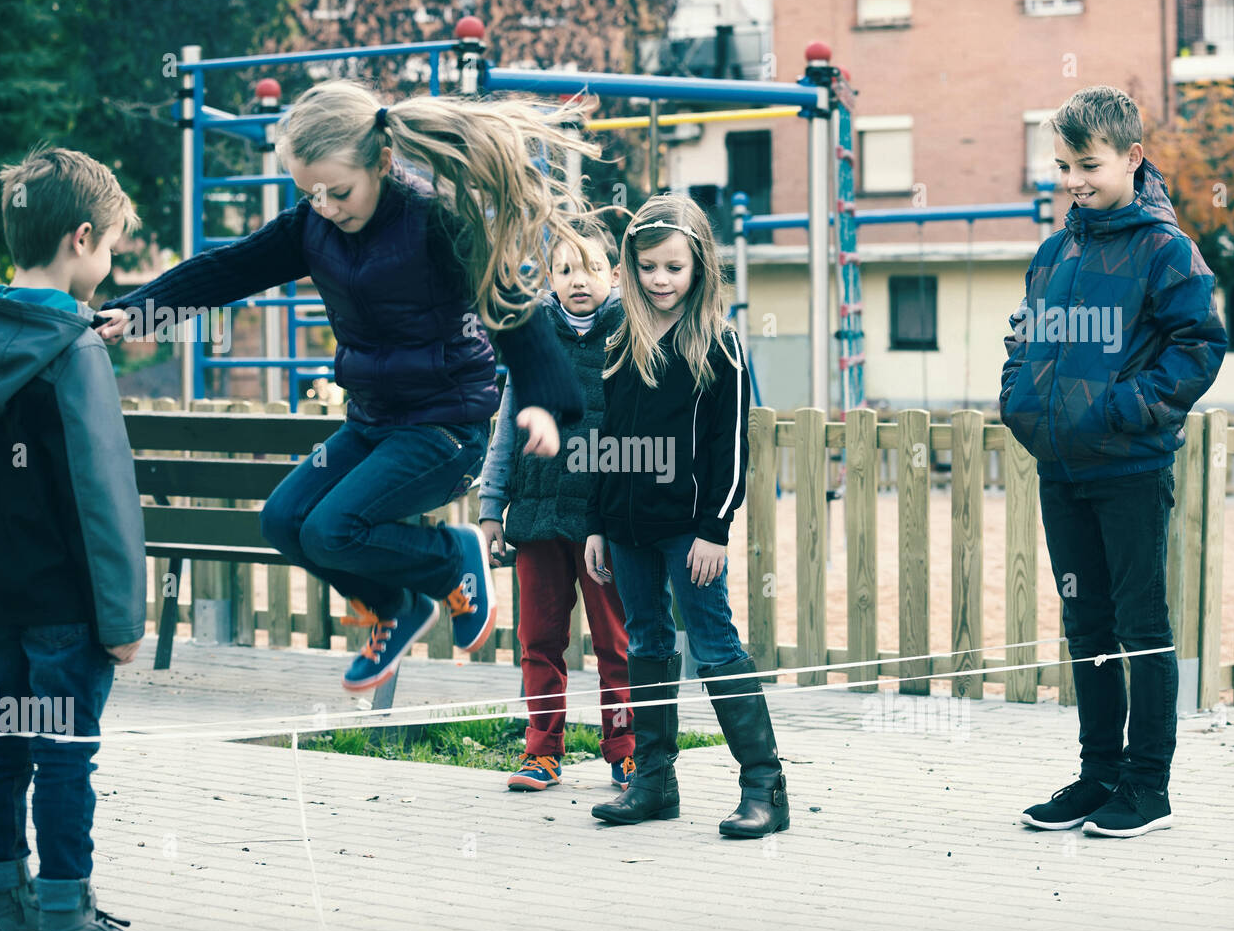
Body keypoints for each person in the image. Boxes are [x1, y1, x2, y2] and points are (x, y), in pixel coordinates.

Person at [96, 81, 590, 691]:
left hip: (445, 426)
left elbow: (509, 300)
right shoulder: (312, 227)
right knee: (283, 520)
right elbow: (229, 268)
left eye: (339, 190)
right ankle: (398, 606)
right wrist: (139, 309)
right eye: (311, 193)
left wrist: (542, 401)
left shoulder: (435, 219)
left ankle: (452, 559)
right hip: (372, 422)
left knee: (332, 528)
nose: (326, 205)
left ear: (382, 162)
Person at [999, 86, 1227, 838]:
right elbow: (1023, 337)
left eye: (1087, 164)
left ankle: (1146, 786)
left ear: (1132, 157)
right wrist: (1020, 402)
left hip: (1128, 470)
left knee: (1141, 624)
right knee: (1085, 624)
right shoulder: (1055, 250)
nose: (1073, 180)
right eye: (1063, 165)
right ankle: (1098, 776)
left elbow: (1200, 347)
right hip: (1061, 472)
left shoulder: (1167, 249)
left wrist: (1120, 411)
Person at [0, 147, 147, 931]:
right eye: (109, 245)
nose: (108, 263)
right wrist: (122, 621)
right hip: (68, 611)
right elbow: (103, 500)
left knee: (4, 742)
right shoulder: (75, 350)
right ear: (80, 238)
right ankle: (63, 912)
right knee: (67, 751)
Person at [583, 193, 788, 838]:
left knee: (714, 643)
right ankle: (653, 782)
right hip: (626, 528)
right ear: (631, 268)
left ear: (698, 266)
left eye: (673, 267)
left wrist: (714, 530)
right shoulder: (620, 342)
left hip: (689, 531)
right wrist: (597, 522)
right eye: (647, 268)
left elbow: (732, 452)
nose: (660, 280)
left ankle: (764, 787)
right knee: (644, 642)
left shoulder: (719, 347)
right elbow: (607, 438)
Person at [479, 220, 636, 792]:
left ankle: (625, 748)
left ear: (614, 276)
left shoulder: (628, 335)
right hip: (538, 517)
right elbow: (505, 428)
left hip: (602, 524)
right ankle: (542, 751)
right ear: (549, 277)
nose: (578, 281)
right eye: (565, 270)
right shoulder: (533, 337)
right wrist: (492, 506)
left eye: (591, 268)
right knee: (539, 640)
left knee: (614, 643)